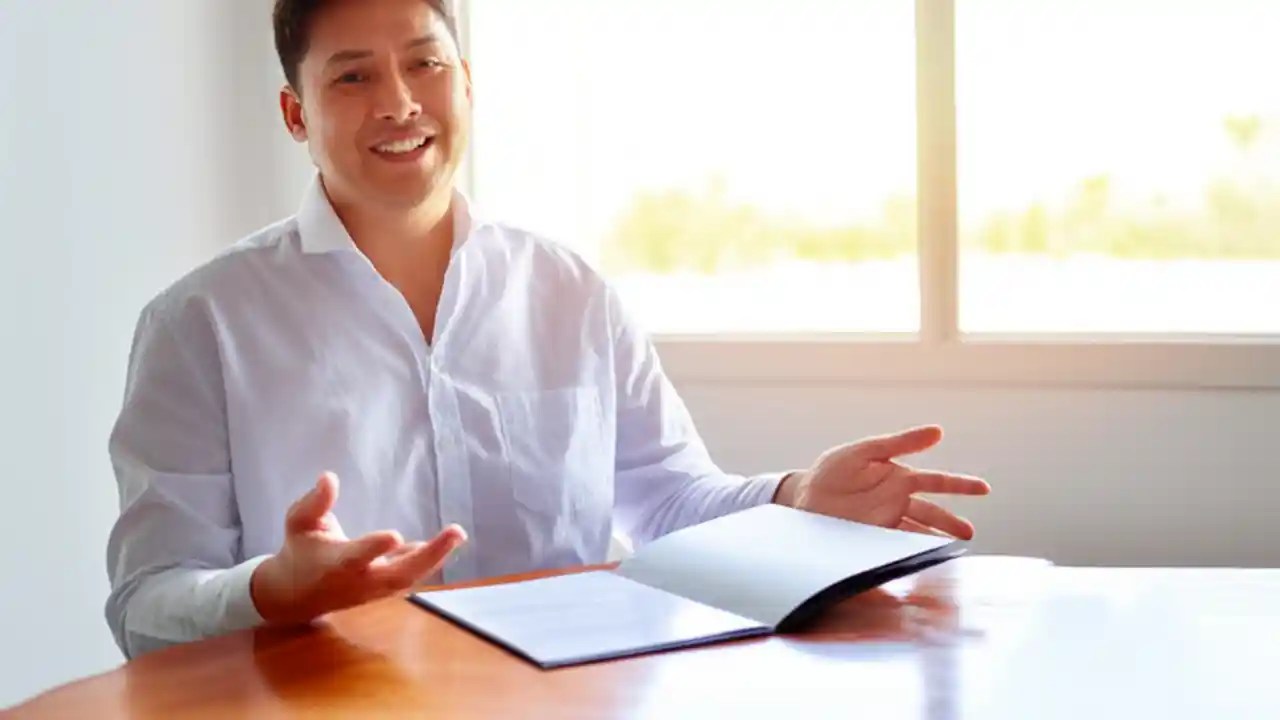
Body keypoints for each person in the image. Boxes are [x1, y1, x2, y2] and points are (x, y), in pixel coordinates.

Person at [105, 0, 990, 658]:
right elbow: (146, 603)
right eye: (352, 75)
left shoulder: (570, 290)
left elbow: (669, 502)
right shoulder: (201, 325)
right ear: (296, 114)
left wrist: (792, 500)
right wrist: (273, 590)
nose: (401, 102)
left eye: (426, 64)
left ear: (467, 84)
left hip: (567, 701)